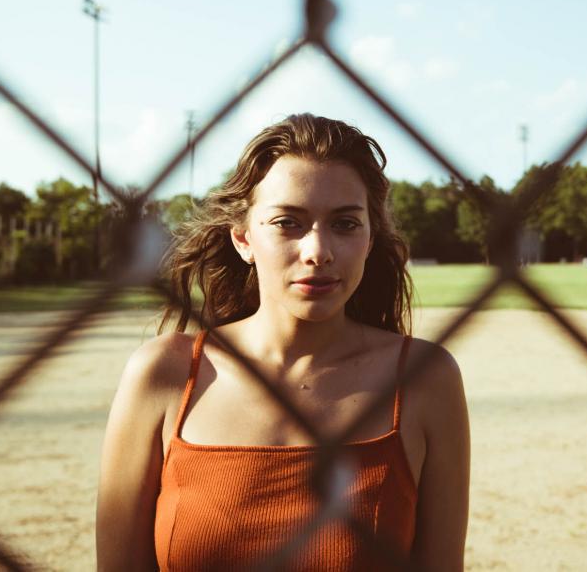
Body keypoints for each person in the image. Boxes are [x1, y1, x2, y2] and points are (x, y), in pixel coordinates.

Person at [96, 113, 470, 571]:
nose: (318, 250)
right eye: (288, 222)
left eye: (346, 224)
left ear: (370, 239)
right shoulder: (165, 374)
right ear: (243, 238)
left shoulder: (424, 379)